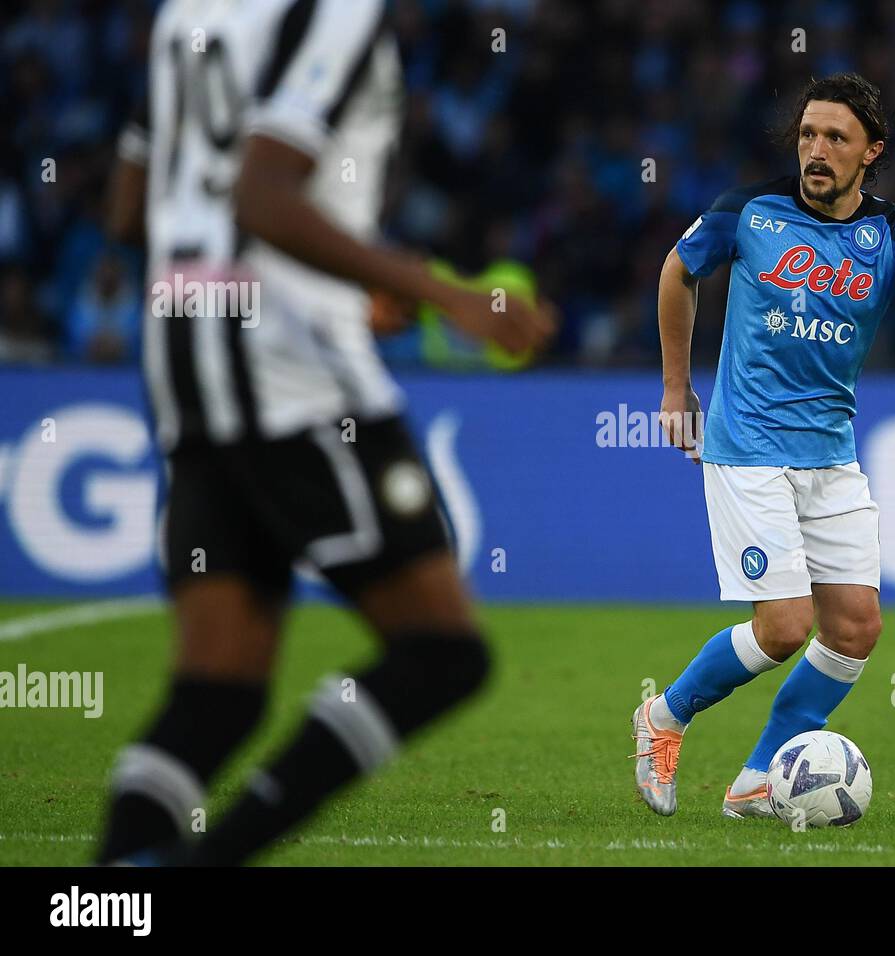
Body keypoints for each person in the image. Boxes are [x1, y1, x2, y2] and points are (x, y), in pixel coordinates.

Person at [96, 0, 553, 865]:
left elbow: (130, 214)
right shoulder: (337, 10)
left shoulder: (182, 15)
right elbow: (263, 199)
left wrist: (343, 280)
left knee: (217, 694)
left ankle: (101, 905)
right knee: (441, 653)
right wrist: (440, 291)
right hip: (289, 376)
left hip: (188, 368)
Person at [633, 73, 895, 819]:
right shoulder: (749, 212)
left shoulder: (892, 235)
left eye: (836, 138)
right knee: (786, 627)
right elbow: (678, 269)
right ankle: (664, 717)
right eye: (808, 136)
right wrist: (676, 386)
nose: (817, 151)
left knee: (856, 626)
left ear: (872, 153)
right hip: (749, 449)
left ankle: (759, 778)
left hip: (830, 455)